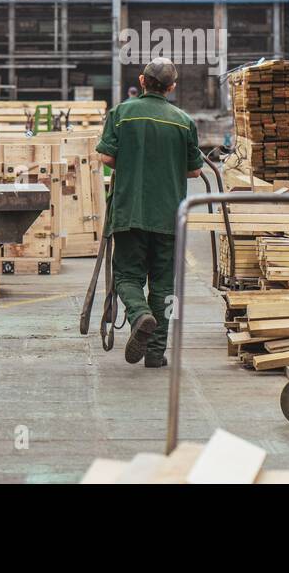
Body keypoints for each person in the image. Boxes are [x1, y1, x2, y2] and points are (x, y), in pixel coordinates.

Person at [96, 57, 203, 367]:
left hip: (130, 212)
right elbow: (195, 172)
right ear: (171, 87)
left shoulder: (122, 113)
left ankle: (140, 315)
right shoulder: (184, 121)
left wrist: (131, 160)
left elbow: (105, 155)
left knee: (127, 277)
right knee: (165, 286)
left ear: (141, 82)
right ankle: (156, 354)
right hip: (170, 217)